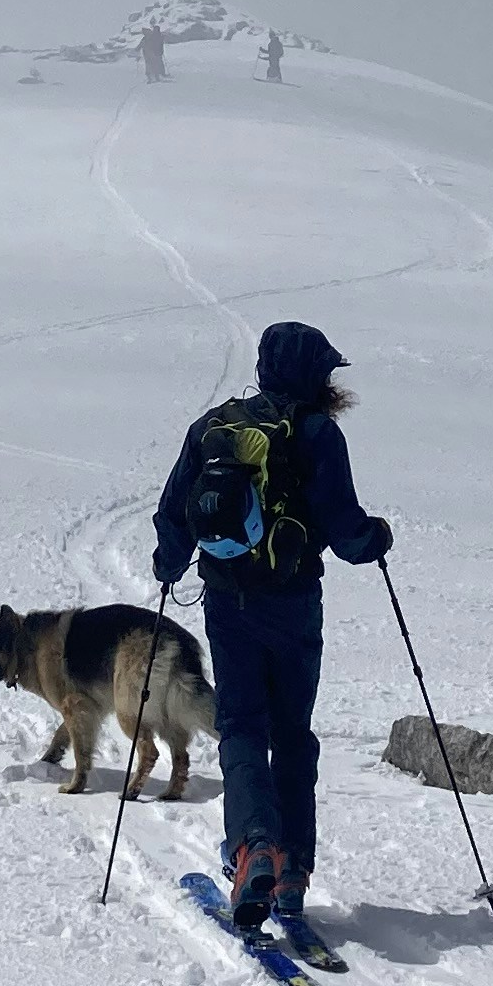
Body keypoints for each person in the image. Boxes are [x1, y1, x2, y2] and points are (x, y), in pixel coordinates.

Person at [151, 321, 390, 942]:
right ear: (313, 375)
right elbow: (346, 533)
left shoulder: (213, 428)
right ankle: (291, 871)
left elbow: (174, 512)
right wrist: (377, 538)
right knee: (291, 733)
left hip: (227, 604)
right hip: (293, 604)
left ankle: (251, 850)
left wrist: (167, 565)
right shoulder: (315, 433)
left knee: (240, 727)